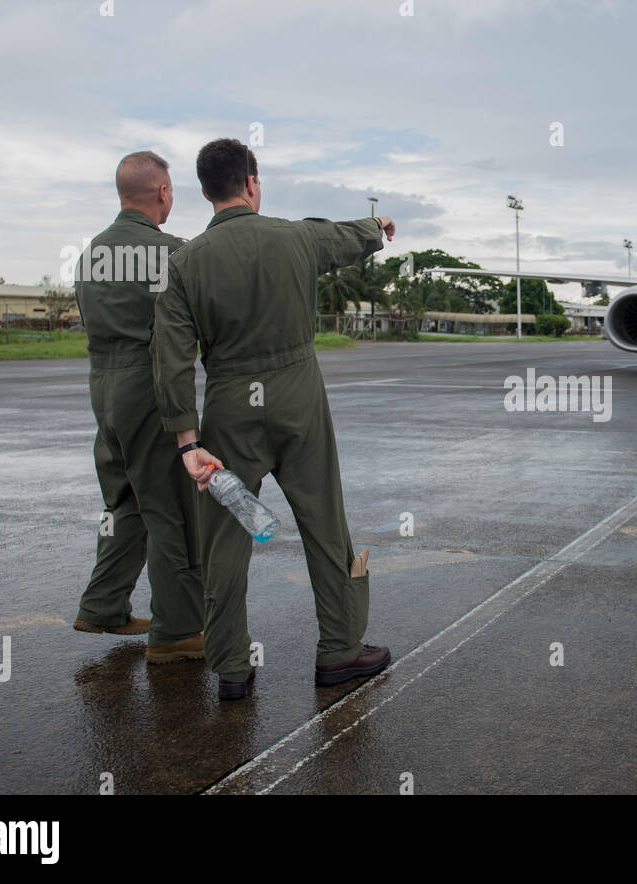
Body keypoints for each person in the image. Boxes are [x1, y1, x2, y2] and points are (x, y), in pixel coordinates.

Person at [151, 138, 393, 700]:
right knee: (324, 522)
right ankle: (339, 649)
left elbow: (171, 358)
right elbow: (349, 236)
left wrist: (188, 443)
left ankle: (232, 666)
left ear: (206, 191)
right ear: (251, 183)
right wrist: (377, 226)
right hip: (298, 395)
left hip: (232, 405)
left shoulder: (184, 263)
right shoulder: (297, 237)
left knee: (226, 536)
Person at [72, 151, 205, 665]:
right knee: (170, 507)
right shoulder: (172, 251)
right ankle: (178, 630)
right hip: (146, 387)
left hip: (102, 388)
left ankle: (103, 605)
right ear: (163, 193)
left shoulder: (90, 254)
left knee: (125, 500)